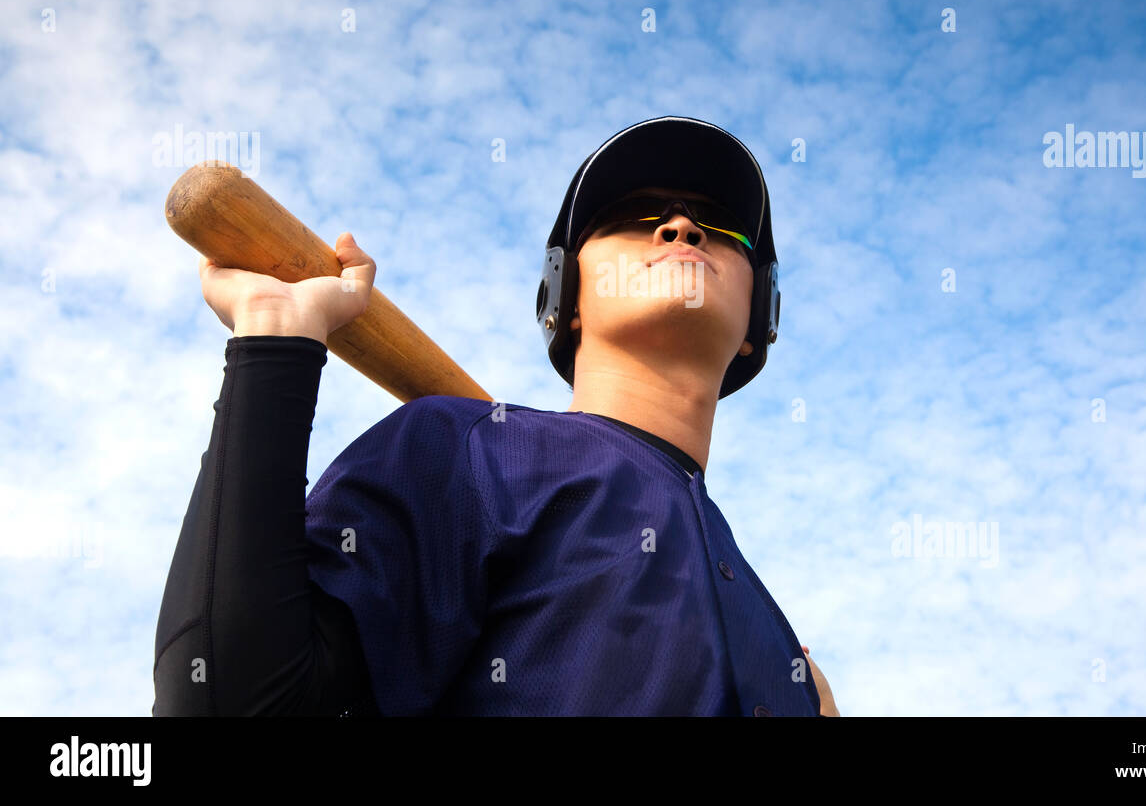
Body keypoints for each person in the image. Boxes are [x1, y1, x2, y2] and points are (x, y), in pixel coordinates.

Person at [153, 115, 839, 716]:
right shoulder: (467, 450)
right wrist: (276, 341)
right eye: (632, 217)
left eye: (719, 227)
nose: (682, 226)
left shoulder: (781, 648)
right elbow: (228, 701)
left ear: (760, 315)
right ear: (566, 296)